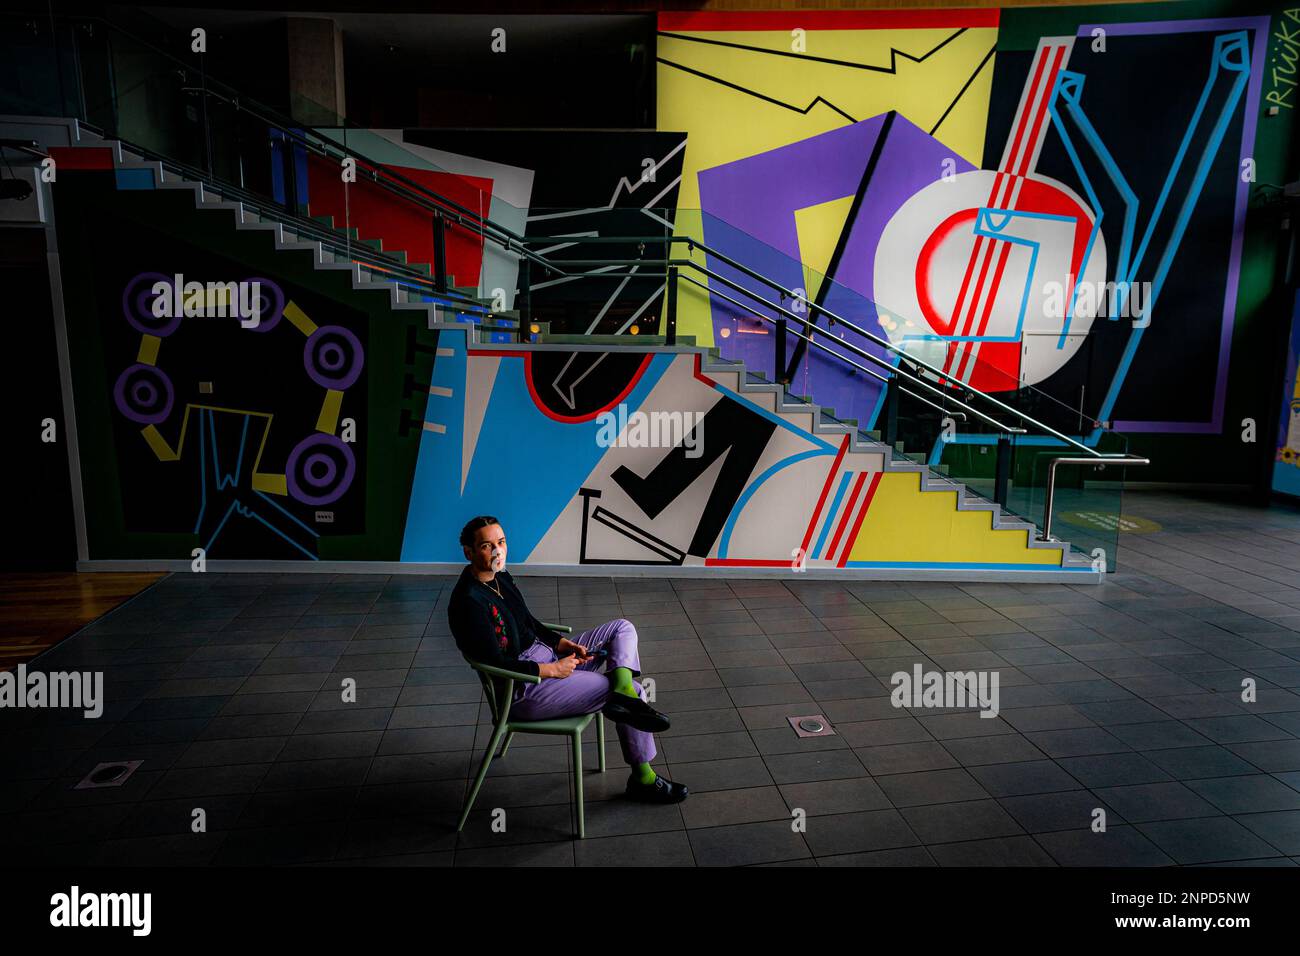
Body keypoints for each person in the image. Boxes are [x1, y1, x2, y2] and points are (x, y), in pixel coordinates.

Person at [448, 515, 688, 804]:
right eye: (487, 546)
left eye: (501, 542)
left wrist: (561, 644)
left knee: (622, 628)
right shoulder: (468, 602)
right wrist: (550, 669)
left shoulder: (500, 576)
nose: (498, 551)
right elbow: (494, 662)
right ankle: (643, 779)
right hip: (524, 687)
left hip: (548, 656)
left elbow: (528, 622)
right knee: (638, 692)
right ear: (469, 552)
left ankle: (622, 693)